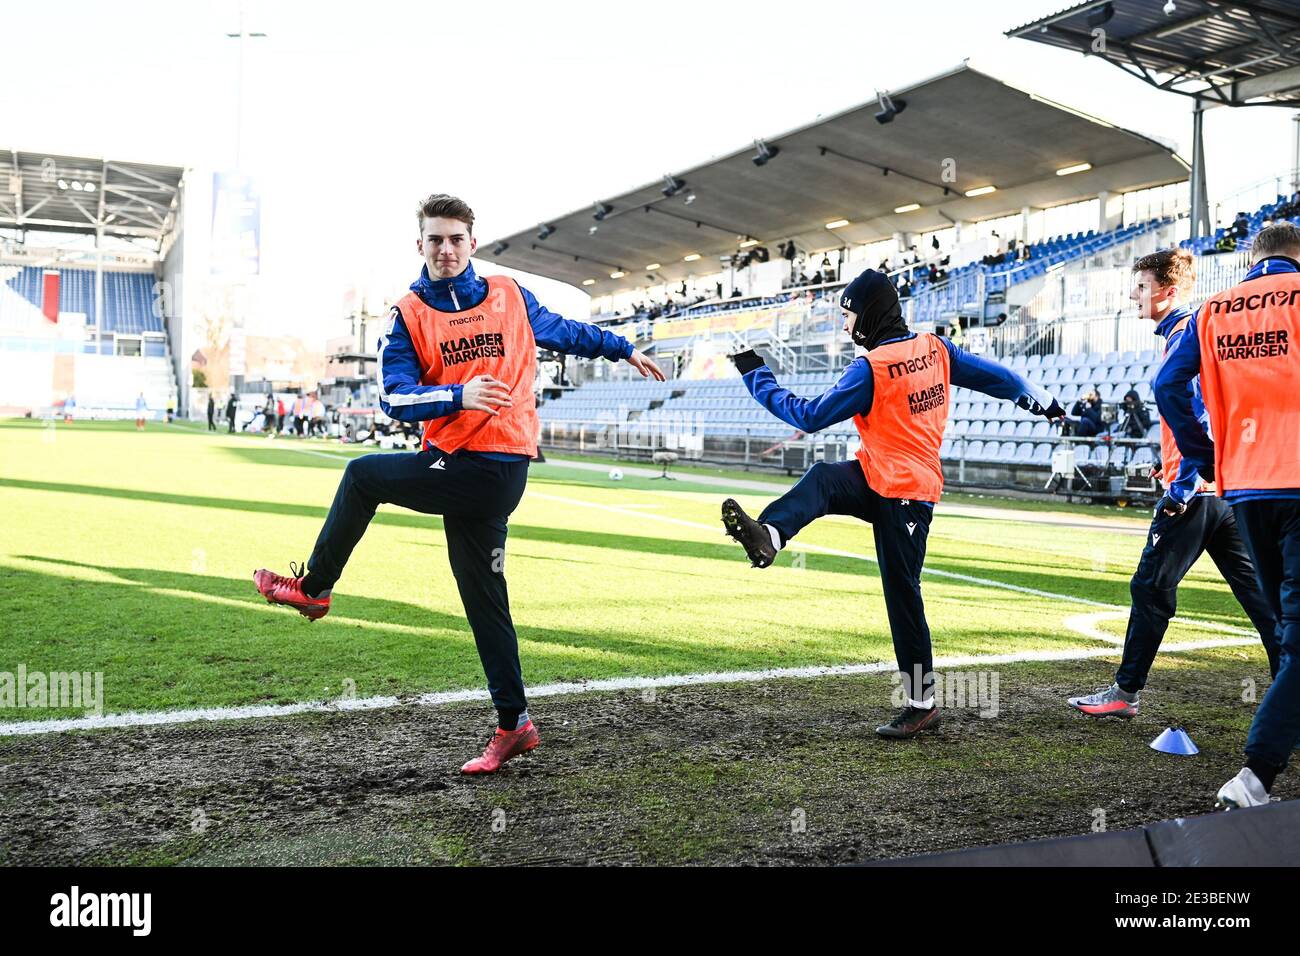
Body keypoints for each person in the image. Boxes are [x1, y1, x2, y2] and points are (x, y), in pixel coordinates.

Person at [253, 193, 664, 774]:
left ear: (473, 243)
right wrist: (455, 394)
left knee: (361, 475)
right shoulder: (408, 313)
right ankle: (514, 724)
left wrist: (623, 348)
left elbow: (567, 332)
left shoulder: (509, 296)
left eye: (455, 239)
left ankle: (315, 589)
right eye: (434, 239)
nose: (445, 249)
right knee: (484, 602)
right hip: (455, 463)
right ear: (419, 245)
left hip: (496, 466)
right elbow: (393, 396)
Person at [719, 268, 1064, 738]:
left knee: (903, 594)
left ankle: (922, 705)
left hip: (907, 494)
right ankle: (771, 535)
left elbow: (808, 416)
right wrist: (1037, 400)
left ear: (868, 315)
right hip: (878, 476)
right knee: (823, 479)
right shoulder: (936, 348)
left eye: (848, 315)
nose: (845, 326)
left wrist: (755, 373)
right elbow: (994, 376)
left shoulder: (871, 368)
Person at [1069, 249, 1278, 720]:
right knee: (1262, 596)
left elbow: (1199, 411)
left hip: (1196, 497)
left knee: (1150, 587)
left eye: (1140, 287)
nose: (1132, 295)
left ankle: (1125, 692)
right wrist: (1170, 467)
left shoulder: (1187, 332)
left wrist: (1181, 485)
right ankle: (1292, 688)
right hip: (1223, 491)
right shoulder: (1186, 332)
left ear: (1168, 291)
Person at [1156, 223, 1300, 809]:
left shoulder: (1213, 311)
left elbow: (1168, 383)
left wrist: (1203, 455)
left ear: (1253, 258)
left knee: (1291, 634)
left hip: (1245, 489)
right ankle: (1256, 774)